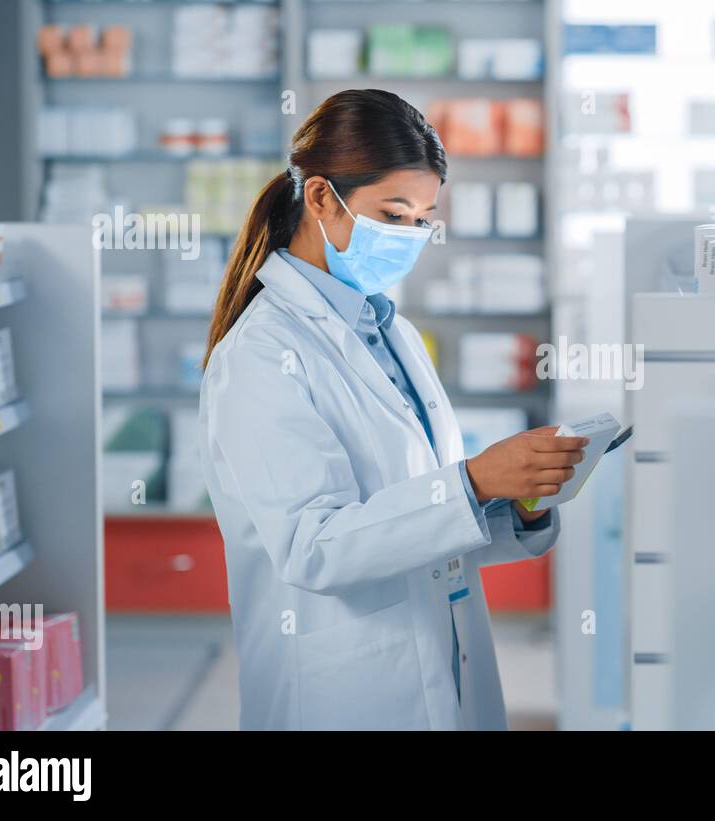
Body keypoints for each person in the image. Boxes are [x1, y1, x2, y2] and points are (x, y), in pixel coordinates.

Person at [198, 89, 586, 730]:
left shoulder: (391, 332)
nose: (409, 237)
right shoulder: (261, 353)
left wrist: (515, 503)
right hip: (341, 691)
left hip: (445, 659)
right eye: (392, 213)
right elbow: (313, 547)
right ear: (321, 197)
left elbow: (419, 523)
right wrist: (474, 480)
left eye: (422, 219)